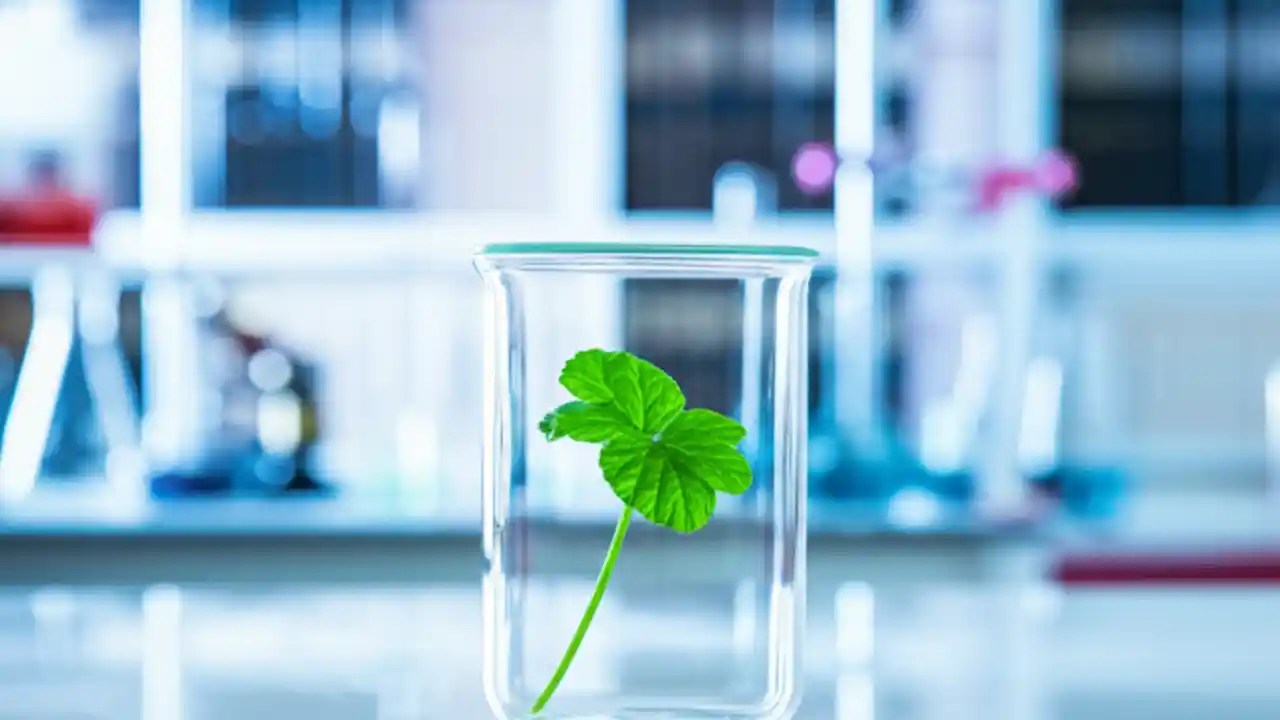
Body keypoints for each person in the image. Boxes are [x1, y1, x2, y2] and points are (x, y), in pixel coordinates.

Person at [0, 150, 97, 244]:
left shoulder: (78, 207)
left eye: (48, 174)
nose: (44, 180)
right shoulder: (10, 208)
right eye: (41, 174)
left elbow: (86, 241)